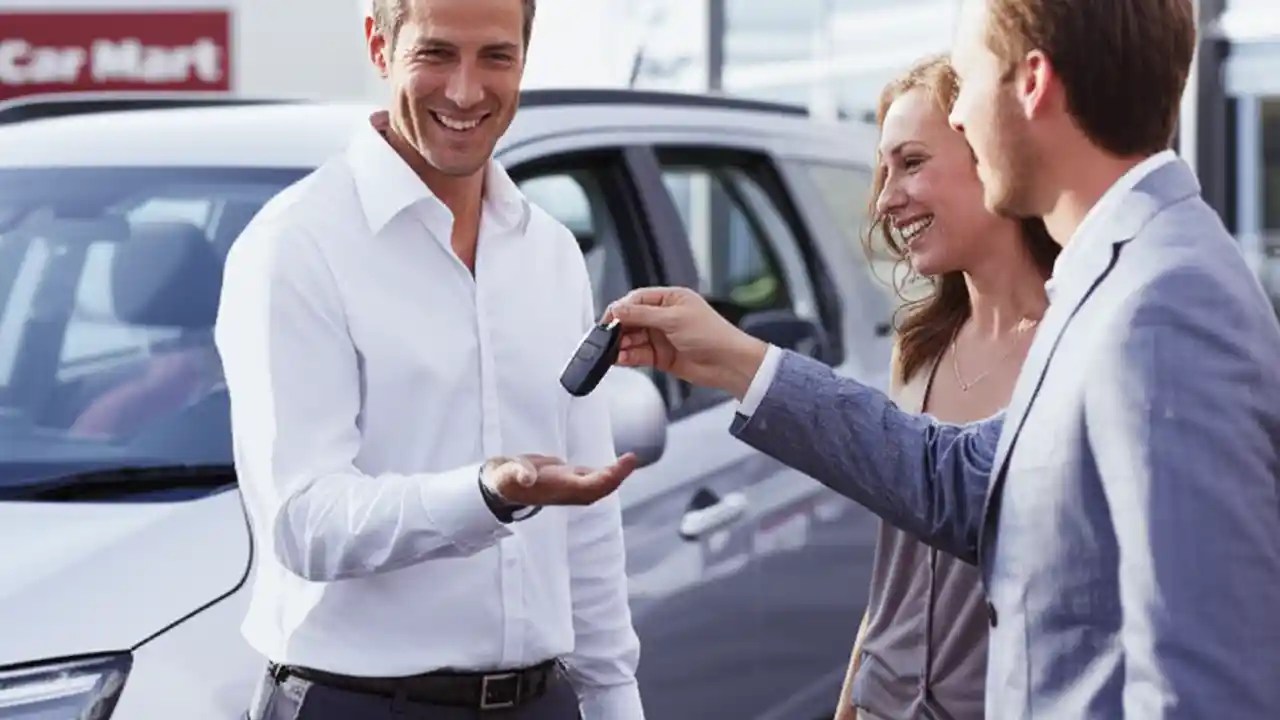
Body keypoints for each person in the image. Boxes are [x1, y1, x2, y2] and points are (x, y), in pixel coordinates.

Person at [605, 0, 1280, 716]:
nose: (958, 118)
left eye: (972, 78)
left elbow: (1205, 689)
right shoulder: (1114, 280)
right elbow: (958, 481)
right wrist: (739, 360)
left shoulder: (1161, 307)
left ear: (1032, 83)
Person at [214, 0, 645, 718]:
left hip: (544, 702)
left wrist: (613, 699)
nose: (467, 91)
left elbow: (588, 526)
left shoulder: (550, 251)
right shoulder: (296, 245)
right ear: (379, 46)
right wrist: (485, 493)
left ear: (525, 57)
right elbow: (304, 522)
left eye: (496, 57)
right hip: (359, 704)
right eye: (436, 54)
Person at [830, 54, 1059, 720]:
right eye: (884, 170)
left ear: (989, 152)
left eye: (911, 163)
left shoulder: (1072, 347)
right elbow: (889, 590)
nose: (884, 199)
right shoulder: (916, 350)